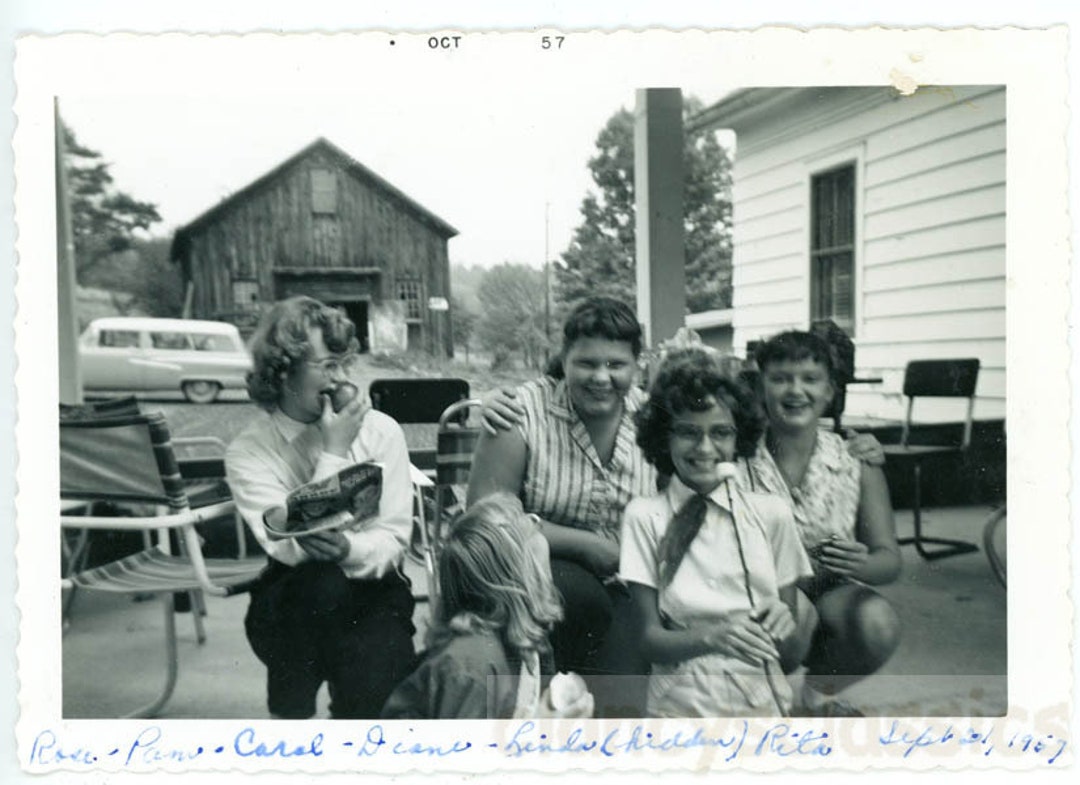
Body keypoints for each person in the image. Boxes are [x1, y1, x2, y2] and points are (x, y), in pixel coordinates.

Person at [225, 296, 416, 719]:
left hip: (372, 591)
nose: (342, 379)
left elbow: (395, 537)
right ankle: (297, 723)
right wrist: (333, 450)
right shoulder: (250, 452)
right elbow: (292, 546)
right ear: (283, 371)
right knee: (318, 587)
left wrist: (352, 551)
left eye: (345, 363)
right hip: (294, 597)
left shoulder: (381, 431)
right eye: (327, 365)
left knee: (375, 698)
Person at [466, 296, 657, 687]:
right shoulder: (521, 412)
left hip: (629, 584)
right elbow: (484, 520)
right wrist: (584, 544)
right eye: (587, 363)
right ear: (564, 358)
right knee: (575, 606)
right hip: (537, 577)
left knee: (622, 699)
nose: (601, 377)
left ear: (637, 366)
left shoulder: (654, 417)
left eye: (616, 365)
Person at [621, 348, 814, 717]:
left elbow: (787, 637)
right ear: (664, 438)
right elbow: (648, 640)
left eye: (721, 432)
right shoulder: (644, 517)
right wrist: (712, 638)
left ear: (739, 437)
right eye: (688, 433)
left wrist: (784, 622)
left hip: (760, 699)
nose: (706, 448)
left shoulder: (771, 514)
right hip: (679, 702)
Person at [744, 330, 902, 716]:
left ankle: (818, 695)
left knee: (877, 622)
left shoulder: (855, 458)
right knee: (794, 615)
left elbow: (890, 560)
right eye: (780, 378)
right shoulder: (739, 455)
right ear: (761, 387)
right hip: (755, 595)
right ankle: (757, 701)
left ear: (830, 391)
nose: (795, 391)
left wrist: (860, 563)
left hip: (830, 590)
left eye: (810, 379)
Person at [382, 493, 594, 719]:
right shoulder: (471, 666)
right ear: (518, 583)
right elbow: (465, 752)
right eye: (531, 529)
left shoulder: (528, 641)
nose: (537, 525)